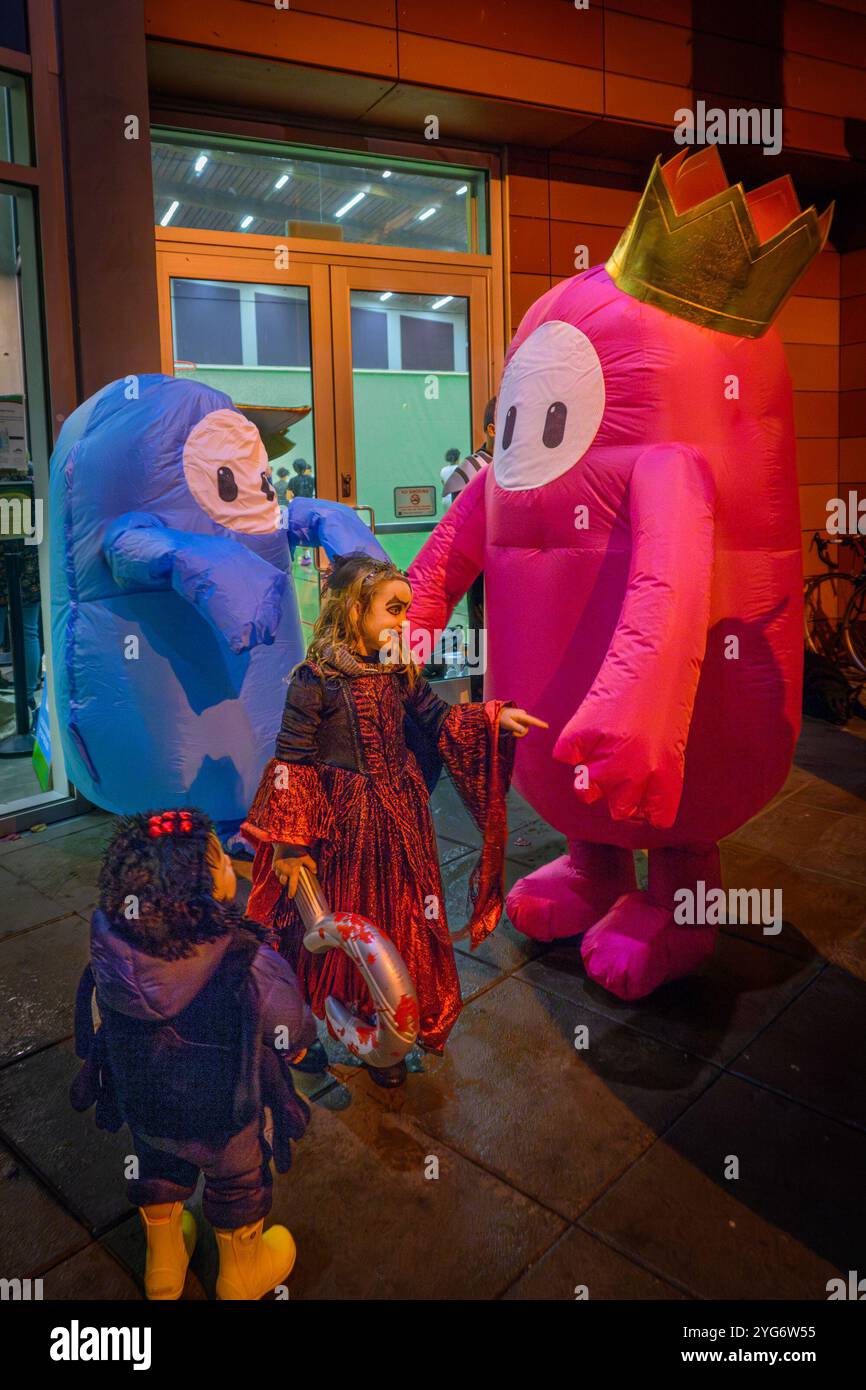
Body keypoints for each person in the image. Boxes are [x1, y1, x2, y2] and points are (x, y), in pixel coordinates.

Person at [242, 552, 547, 1088]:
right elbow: (291, 761)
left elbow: (439, 719)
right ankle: (367, 1027)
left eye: (405, 610)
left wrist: (493, 717)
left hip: (400, 816)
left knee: (407, 913)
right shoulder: (315, 680)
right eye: (393, 610)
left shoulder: (397, 671)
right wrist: (291, 846)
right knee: (358, 918)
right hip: (347, 825)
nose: (403, 623)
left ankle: (404, 1015)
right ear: (354, 607)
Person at [70, 808, 315, 1300]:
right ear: (201, 893)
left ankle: (163, 1266)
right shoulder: (246, 962)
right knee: (237, 1185)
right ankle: (241, 1274)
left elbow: (95, 1018)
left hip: (146, 1107)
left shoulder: (110, 952)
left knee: (157, 1170)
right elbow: (291, 1027)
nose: (231, 868)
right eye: (222, 863)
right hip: (227, 1118)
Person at [441, 398, 496, 697]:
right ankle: (480, 706)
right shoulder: (469, 470)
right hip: (482, 575)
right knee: (483, 641)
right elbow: (460, 527)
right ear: (492, 429)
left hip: (505, 574)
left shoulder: (516, 464)